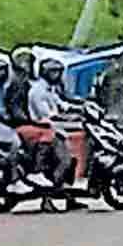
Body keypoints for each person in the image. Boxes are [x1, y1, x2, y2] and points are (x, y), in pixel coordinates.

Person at [27, 58, 88, 210]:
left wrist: (82, 106)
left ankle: (69, 197)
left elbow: (62, 104)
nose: (57, 75)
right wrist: (70, 117)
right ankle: (48, 198)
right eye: (53, 72)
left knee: (72, 162)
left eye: (58, 72)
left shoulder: (50, 88)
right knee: (64, 161)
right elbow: (48, 116)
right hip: (45, 131)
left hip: (58, 130)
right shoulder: (38, 91)